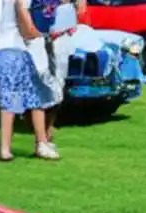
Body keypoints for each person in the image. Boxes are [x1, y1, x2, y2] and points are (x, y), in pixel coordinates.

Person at [0, 0, 59, 160]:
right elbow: (27, 29)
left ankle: (38, 143)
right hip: (10, 48)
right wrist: (45, 33)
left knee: (31, 95)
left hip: (11, 48)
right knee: (14, 99)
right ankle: (8, 148)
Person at [30, 0, 86, 142]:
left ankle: (47, 128)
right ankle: (41, 134)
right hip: (37, 30)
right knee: (40, 83)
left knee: (57, 86)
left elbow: (80, 8)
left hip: (61, 33)